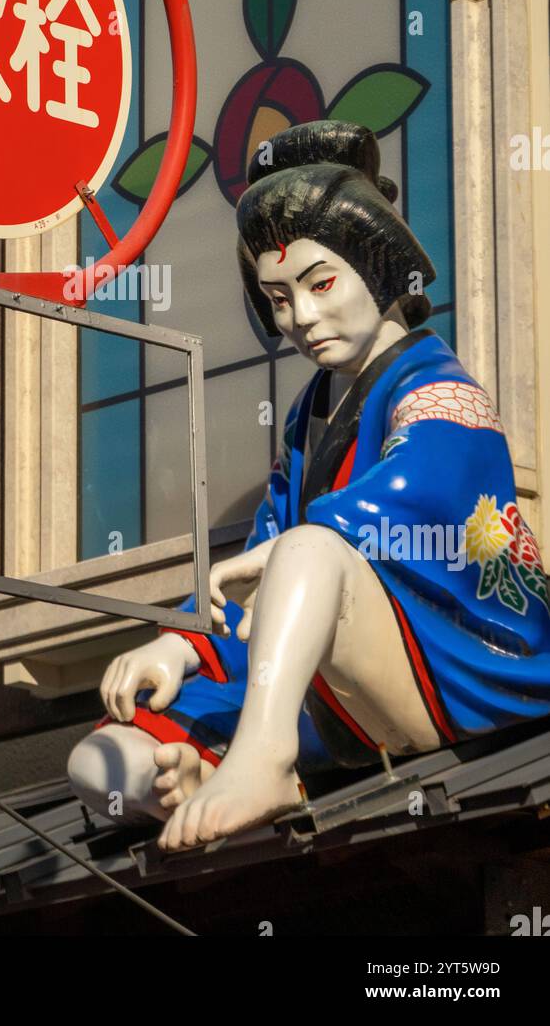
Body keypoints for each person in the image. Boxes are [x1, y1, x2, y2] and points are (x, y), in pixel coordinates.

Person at [67, 121, 550, 851]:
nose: (303, 319)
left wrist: (301, 547)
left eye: (321, 284)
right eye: (280, 298)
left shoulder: (438, 386)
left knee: (312, 549)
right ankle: (204, 782)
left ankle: (260, 761)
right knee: (100, 763)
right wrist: (183, 645)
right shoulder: (309, 417)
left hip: (458, 656)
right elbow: (265, 558)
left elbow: (422, 491)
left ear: (379, 267)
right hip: (330, 689)